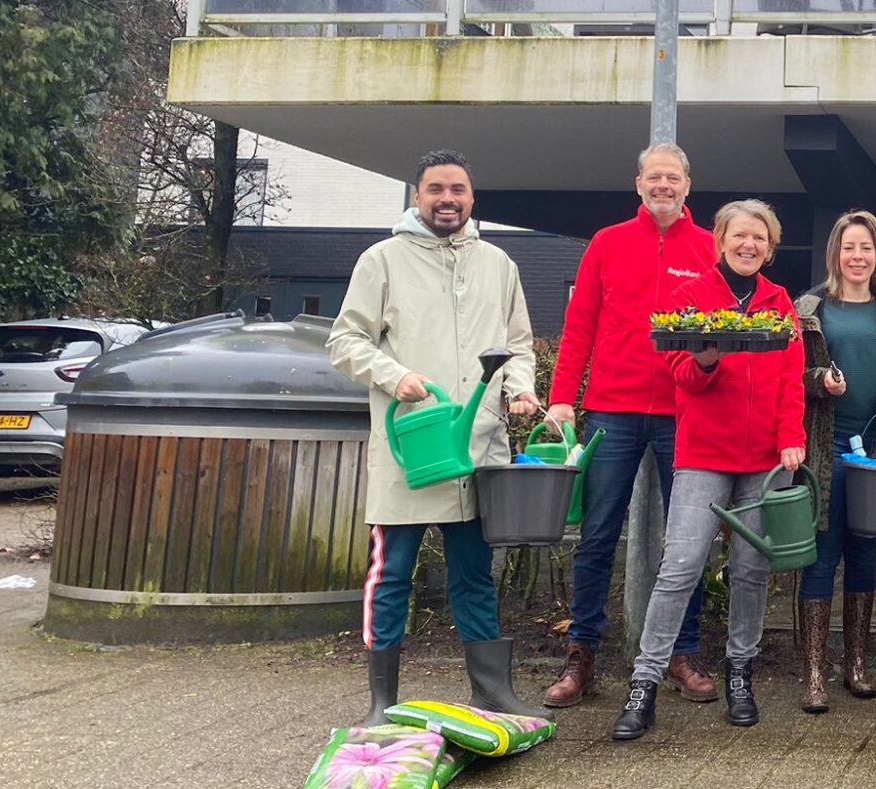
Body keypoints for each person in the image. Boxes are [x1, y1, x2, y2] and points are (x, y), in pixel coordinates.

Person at [327, 150, 544, 726]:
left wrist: (520, 388)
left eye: (458, 190)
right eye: (435, 189)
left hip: (477, 449)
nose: (447, 199)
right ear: (417, 196)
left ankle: (492, 692)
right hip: (412, 449)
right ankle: (382, 701)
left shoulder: (499, 264)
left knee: (474, 574)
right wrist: (394, 376)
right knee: (391, 573)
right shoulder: (382, 260)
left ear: (471, 197)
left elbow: (517, 345)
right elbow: (345, 341)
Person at [614, 200, 804, 742]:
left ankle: (740, 673)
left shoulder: (779, 302)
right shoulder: (690, 298)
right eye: (739, 235)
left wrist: (791, 436)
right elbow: (681, 375)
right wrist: (704, 359)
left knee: (750, 570)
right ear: (720, 240)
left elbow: (791, 378)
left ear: (770, 247)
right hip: (703, 455)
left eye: (760, 238)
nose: (749, 245)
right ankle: (644, 683)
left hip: (765, 459)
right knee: (680, 566)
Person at [541, 142, 718, 709]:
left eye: (673, 177)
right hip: (611, 410)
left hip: (683, 412)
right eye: (654, 177)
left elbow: (724, 331)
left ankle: (682, 653)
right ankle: (582, 655)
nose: (663, 185)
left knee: (686, 540)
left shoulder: (709, 248)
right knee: (596, 536)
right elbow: (579, 324)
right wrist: (561, 398)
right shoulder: (607, 243)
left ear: (687, 186)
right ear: (638, 184)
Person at [794, 209, 876, 714]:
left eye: (866, 247)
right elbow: (791, 373)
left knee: (865, 556)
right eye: (849, 247)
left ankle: (856, 665)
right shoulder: (809, 308)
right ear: (836, 253)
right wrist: (819, 380)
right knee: (821, 557)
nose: (857, 256)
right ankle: (814, 674)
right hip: (824, 451)